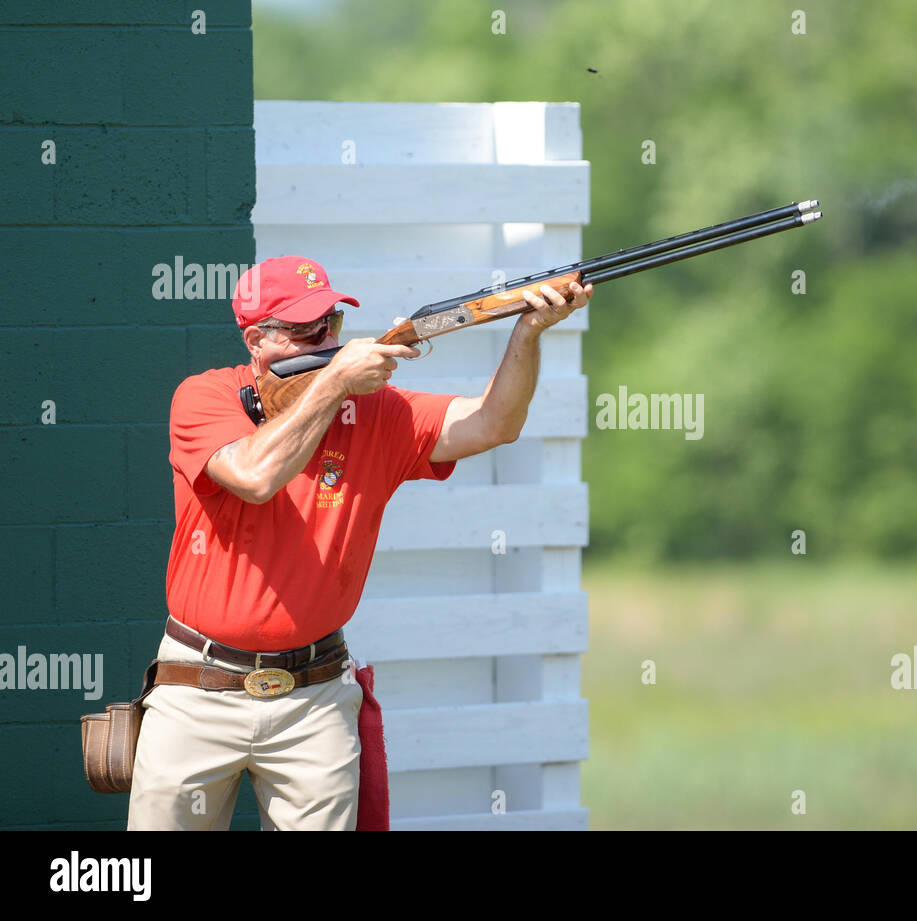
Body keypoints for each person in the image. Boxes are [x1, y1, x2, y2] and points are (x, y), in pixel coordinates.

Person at [126, 255, 591, 830]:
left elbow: (495, 423)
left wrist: (528, 331)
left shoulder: (377, 411)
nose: (326, 337)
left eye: (332, 323)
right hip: (198, 687)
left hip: (314, 696)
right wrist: (336, 381)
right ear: (257, 341)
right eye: (306, 329)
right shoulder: (205, 397)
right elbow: (254, 476)